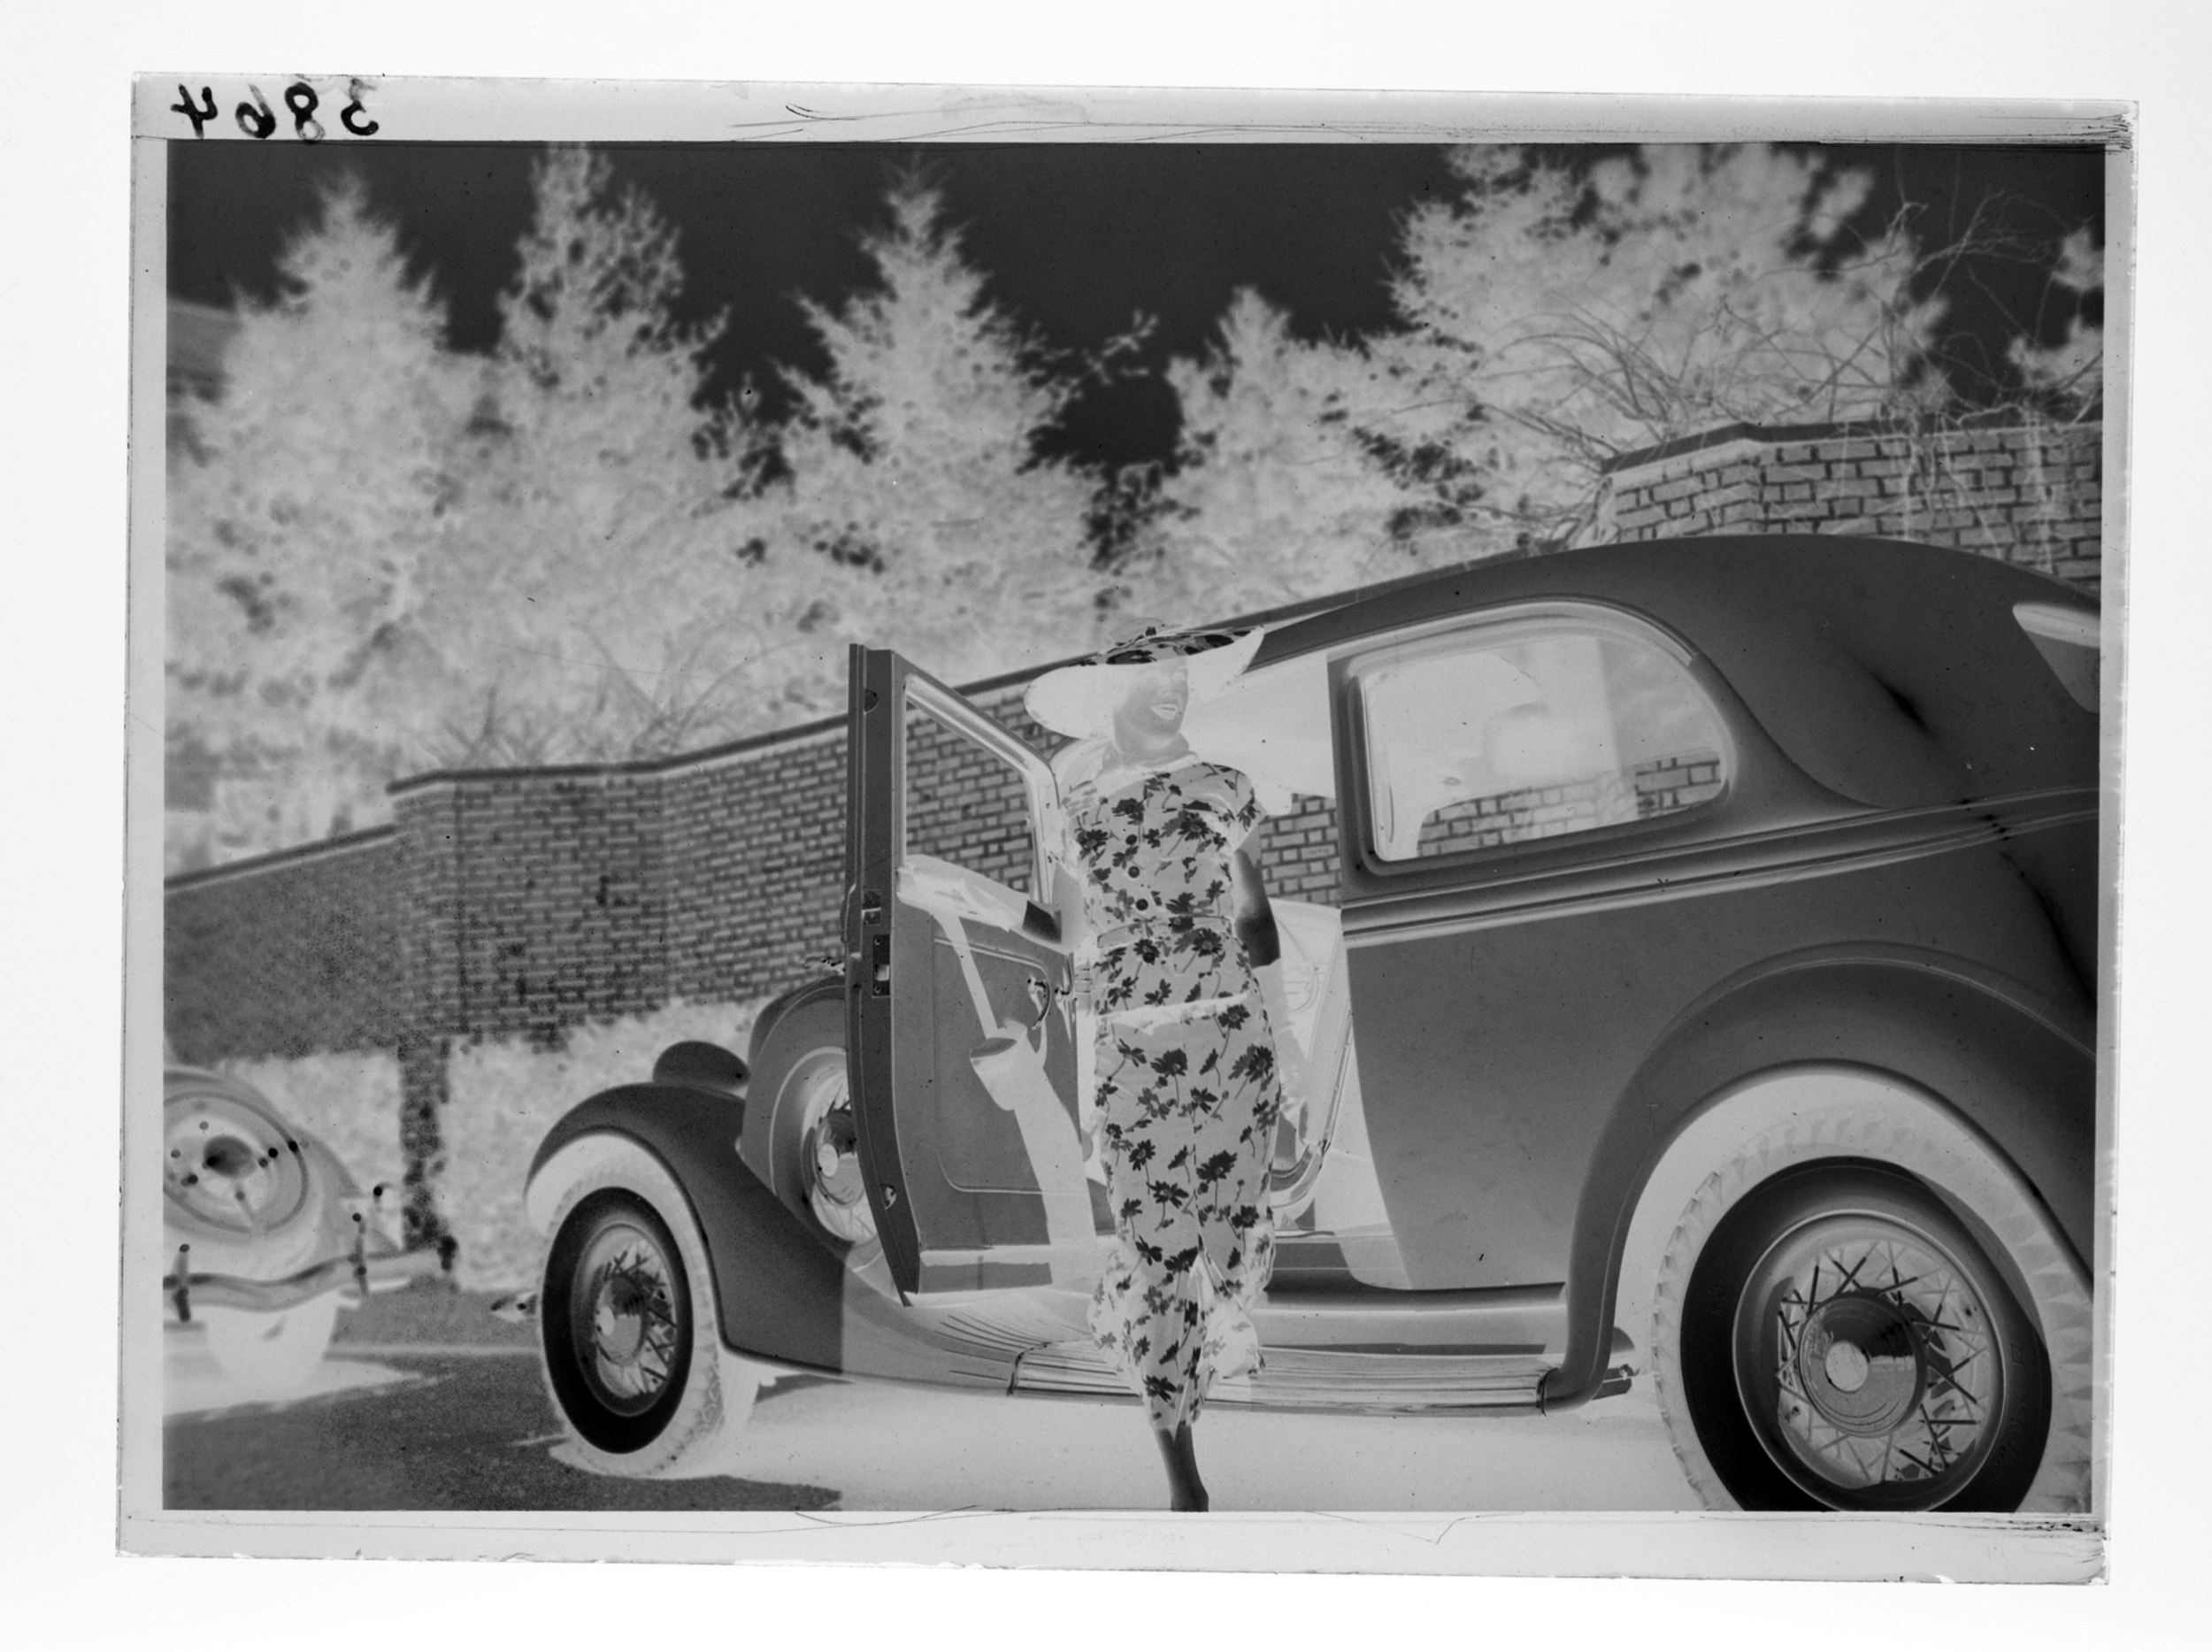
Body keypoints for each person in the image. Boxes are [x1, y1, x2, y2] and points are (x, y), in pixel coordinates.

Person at [1025, 623, 1287, 1512]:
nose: (1170, 686)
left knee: (1226, 1243)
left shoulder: (1226, 787)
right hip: (1131, 1049)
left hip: (1229, 1041)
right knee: (1155, 1253)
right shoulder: (1076, 807)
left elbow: (1257, 921)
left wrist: (1278, 1046)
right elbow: (1060, 941)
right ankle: (1184, 1478)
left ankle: (1204, 1344)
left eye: (1178, 674)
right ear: (1114, 696)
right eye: (1151, 676)